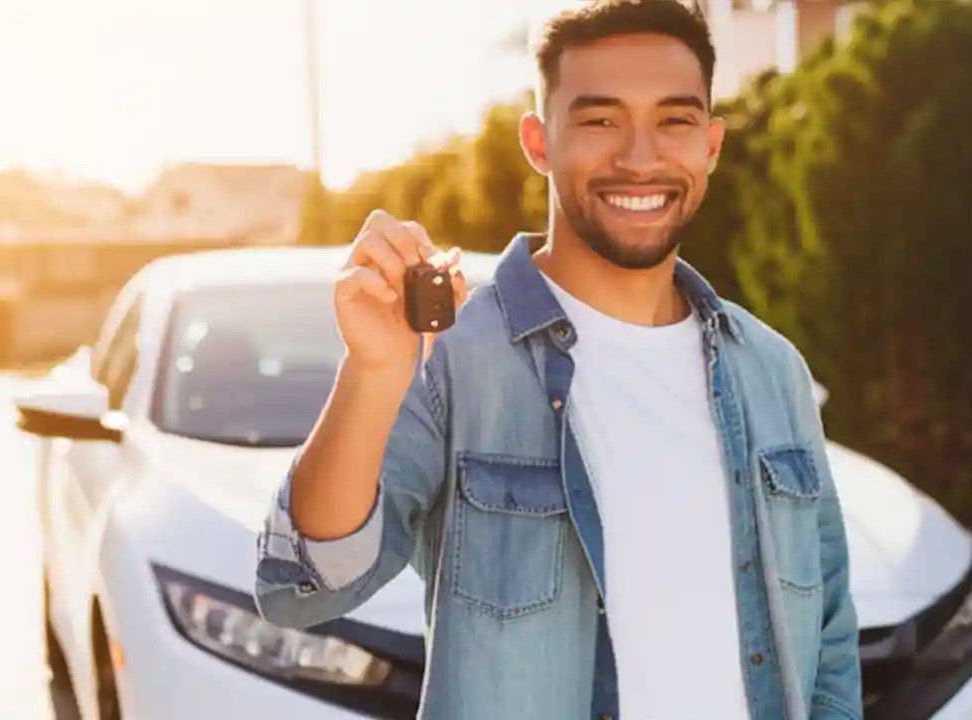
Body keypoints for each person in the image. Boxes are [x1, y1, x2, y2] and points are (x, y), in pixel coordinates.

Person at [254, 1, 862, 717]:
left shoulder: (772, 370)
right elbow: (302, 587)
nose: (641, 155)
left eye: (674, 120)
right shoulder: (453, 360)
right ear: (539, 143)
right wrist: (374, 370)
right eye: (601, 120)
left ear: (711, 144)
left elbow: (829, 641)